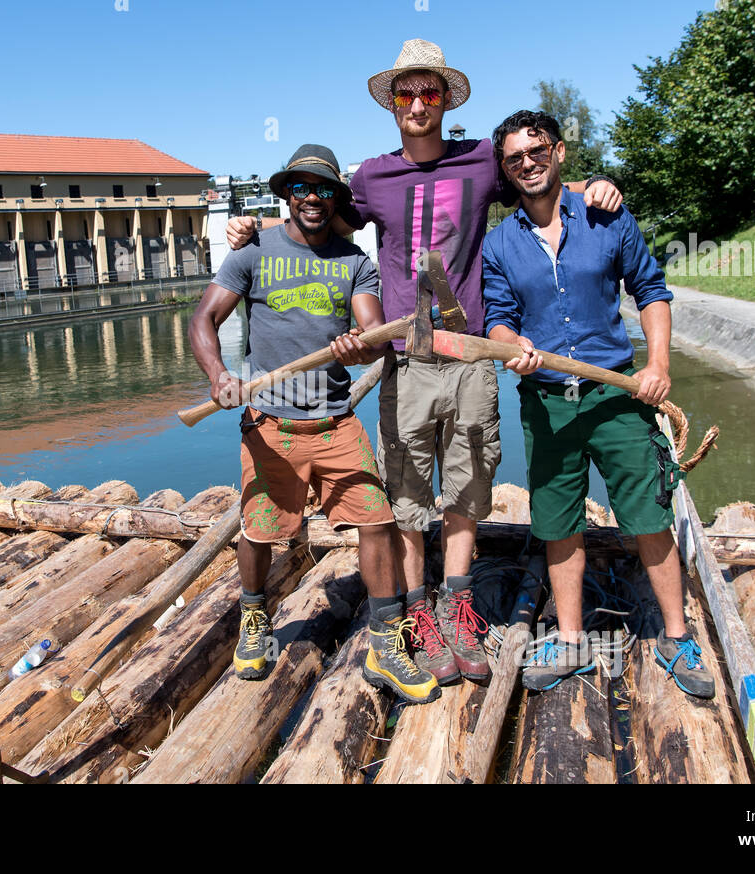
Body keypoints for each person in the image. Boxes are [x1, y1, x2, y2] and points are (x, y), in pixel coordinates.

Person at [228, 40, 625, 686]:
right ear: (392, 105)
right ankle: (417, 611)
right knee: (409, 494)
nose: (417, 104)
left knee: (468, 485)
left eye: (429, 93)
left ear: (446, 101)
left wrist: (592, 188)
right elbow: (319, 226)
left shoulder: (479, 163)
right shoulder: (370, 179)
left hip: (468, 355)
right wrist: (254, 230)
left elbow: (538, 180)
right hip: (405, 361)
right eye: (406, 94)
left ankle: (459, 605)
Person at [189, 143, 440, 704]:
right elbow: (204, 317)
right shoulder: (252, 252)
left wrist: (360, 348)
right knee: (258, 529)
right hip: (270, 423)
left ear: (336, 200)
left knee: (377, 521)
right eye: (302, 187)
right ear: (286, 194)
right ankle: (255, 620)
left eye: (324, 190)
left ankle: (384, 641)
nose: (312, 198)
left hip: (335, 423)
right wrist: (217, 374)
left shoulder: (356, 262)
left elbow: (372, 330)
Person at [482, 110, 714, 698]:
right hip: (547, 402)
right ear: (505, 171)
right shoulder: (499, 244)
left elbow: (652, 291)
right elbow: (497, 320)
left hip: (617, 394)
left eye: (537, 151)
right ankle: (570, 638)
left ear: (559, 152)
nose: (528, 163)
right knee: (558, 523)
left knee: (650, 516)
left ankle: (676, 636)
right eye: (515, 158)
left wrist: (657, 366)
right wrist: (513, 347)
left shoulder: (607, 216)